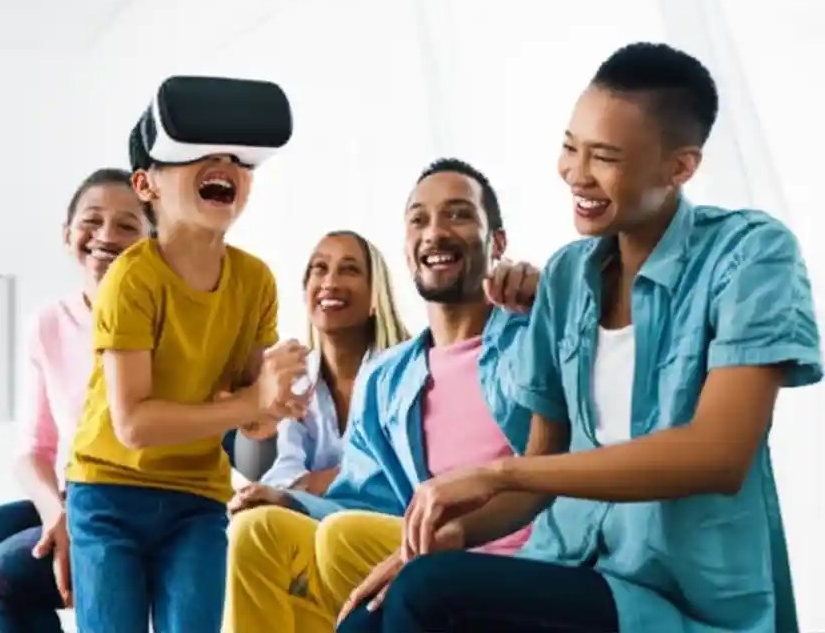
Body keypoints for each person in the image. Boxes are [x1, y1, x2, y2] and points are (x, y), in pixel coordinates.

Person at [339, 42, 822, 633]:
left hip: (680, 601)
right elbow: (544, 458)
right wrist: (455, 534)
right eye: (570, 147)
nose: (576, 173)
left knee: (429, 596)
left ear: (681, 167)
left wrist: (497, 473)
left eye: (605, 157)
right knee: (372, 613)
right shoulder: (569, 277)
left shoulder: (750, 254)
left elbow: (717, 454)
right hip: (571, 564)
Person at [223, 159, 541, 633]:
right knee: (256, 529)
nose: (434, 232)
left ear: (497, 241)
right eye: (419, 219)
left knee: (341, 537)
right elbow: (367, 497)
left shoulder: (534, 338)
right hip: (415, 548)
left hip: (518, 559)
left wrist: (546, 296)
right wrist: (290, 501)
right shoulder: (389, 379)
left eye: (457, 214)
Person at [65, 76, 310, 633]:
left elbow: (248, 435)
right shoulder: (131, 280)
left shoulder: (256, 281)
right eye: (198, 152)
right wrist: (251, 400)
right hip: (108, 495)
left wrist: (270, 411)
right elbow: (133, 424)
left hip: (196, 499)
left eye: (237, 157)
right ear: (146, 185)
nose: (223, 161)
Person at [0, 168, 151, 632]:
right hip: (72, 498)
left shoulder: (160, 321)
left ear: (151, 243)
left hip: (135, 506)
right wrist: (55, 514)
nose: (105, 236)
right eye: (91, 221)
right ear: (67, 235)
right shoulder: (48, 323)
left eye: (127, 225)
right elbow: (33, 450)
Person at [246, 230, 409, 496]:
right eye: (320, 268)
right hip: (315, 521)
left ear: (375, 296)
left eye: (349, 270)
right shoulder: (299, 380)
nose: (330, 282)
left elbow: (389, 474)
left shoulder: (403, 372)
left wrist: (307, 486)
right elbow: (285, 473)